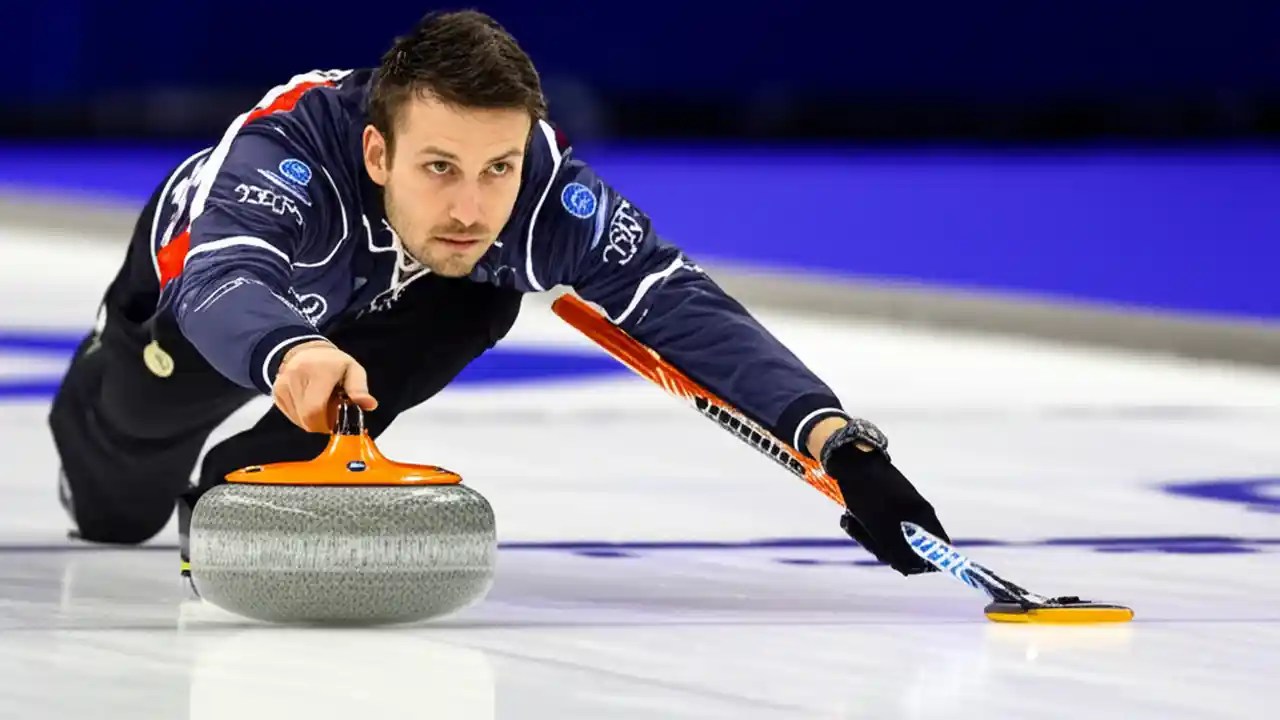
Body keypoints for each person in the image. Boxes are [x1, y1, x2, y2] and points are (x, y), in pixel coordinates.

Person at [48, 10, 949, 576]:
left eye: (498, 168)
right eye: (439, 167)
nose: (473, 206)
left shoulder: (540, 192)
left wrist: (837, 441)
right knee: (116, 511)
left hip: (361, 325)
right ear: (378, 155)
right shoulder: (289, 156)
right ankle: (110, 436)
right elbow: (222, 280)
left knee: (481, 293)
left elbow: (673, 301)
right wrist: (292, 349)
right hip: (199, 310)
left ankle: (249, 485)